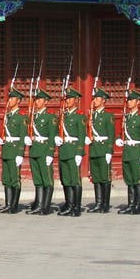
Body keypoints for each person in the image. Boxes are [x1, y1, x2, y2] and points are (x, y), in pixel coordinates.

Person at [0, 87, 27, 213]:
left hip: (14, 150)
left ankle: (14, 205)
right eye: (9, 98)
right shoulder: (7, 116)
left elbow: (23, 136)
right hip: (7, 149)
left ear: (18, 101)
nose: (9, 100)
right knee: (7, 178)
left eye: (12, 98)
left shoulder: (21, 117)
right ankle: (8, 204)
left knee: (15, 179)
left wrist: (20, 153)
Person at [117, 89, 140, 215]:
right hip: (128, 152)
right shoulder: (126, 118)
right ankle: (131, 204)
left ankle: (138, 205)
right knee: (129, 180)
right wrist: (118, 139)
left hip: (136, 152)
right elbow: (122, 133)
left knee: (138, 180)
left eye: (131, 100)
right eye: (128, 100)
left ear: (138, 102)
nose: (129, 102)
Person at [25, 89, 57, 215]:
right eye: (36, 99)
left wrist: (50, 153)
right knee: (37, 180)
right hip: (34, 150)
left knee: (47, 179)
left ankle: (46, 207)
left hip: (44, 151)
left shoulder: (50, 117)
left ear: (46, 102)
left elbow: (52, 136)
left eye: (39, 99)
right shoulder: (33, 117)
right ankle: (38, 205)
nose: (37, 102)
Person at [55, 87, 86, 217]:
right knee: (66, 179)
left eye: (70, 98)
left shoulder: (80, 117)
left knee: (75, 180)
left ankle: (76, 207)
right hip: (64, 150)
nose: (67, 101)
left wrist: (79, 152)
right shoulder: (63, 116)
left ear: (76, 100)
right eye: (66, 99)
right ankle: (69, 204)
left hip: (73, 150)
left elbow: (81, 135)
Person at [86, 87, 116, 213]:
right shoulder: (91, 115)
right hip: (94, 149)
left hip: (103, 149)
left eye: (97, 98)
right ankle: (98, 203)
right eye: (94, 98)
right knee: (96, 177)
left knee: (105, 178)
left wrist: (109, 151)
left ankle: (105, 204)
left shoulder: (108, 116)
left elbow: (111, 134)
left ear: (103, 100)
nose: (95, 101)